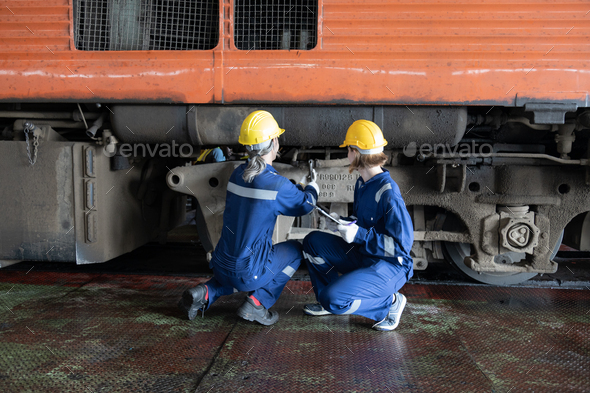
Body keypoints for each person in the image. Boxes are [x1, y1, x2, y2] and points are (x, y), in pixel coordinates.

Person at [178, 110, 319, 325]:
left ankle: (204, 292)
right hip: (247, 273)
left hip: (220, 264)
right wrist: (312, 188)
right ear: (274, 142)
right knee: (295, 252)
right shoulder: (276, 185)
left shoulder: (237, 174)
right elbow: (306, 205)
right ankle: (257, 303)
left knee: (239, 272)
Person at [302, 120, 414, 331]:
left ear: (355, 152)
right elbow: (363, 224)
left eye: (348, 149)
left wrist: (359, 235)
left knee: (333, 299)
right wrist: (341, 223)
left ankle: (389, 304)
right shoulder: (362, 183)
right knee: (312, 242)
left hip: (389, 266)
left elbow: (401, 247)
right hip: (365, 254)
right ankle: (329, 302)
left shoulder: (388, 193)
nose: (347, 153)